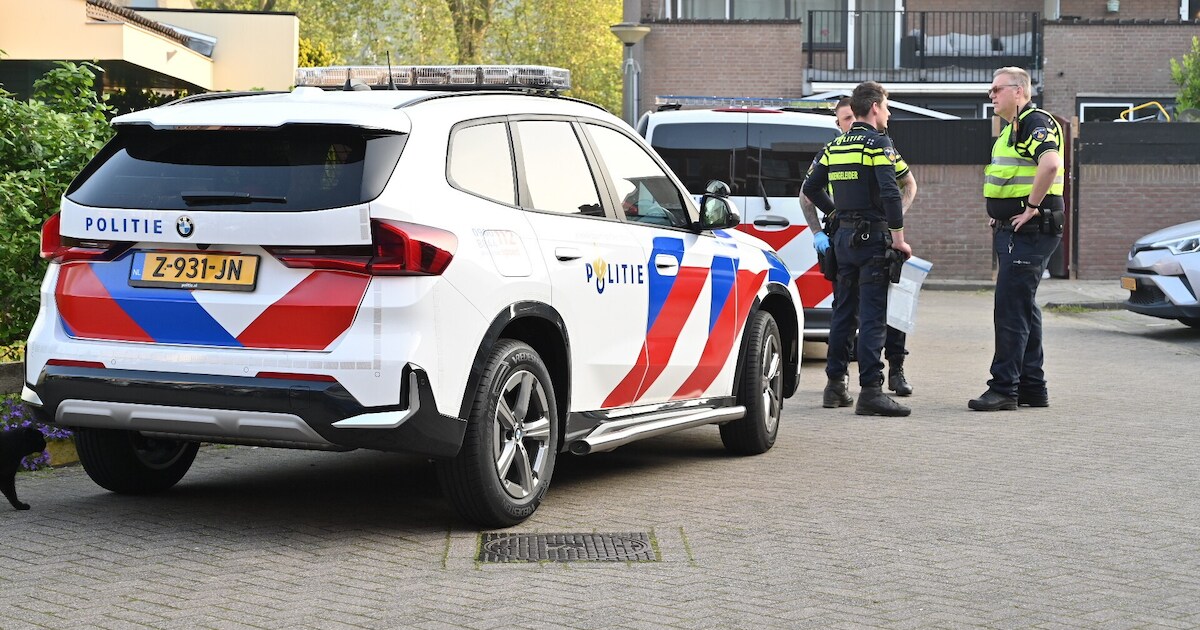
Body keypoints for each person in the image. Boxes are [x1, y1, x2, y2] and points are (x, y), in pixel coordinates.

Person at [802, 81, 913, 417]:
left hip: (842, 242)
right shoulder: (878, 144)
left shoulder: (835, 146)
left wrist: (835, 213)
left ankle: (835, 386)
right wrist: (898, 238)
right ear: (876, 107)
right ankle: (871, 392)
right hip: (872, 242)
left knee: (843, 313)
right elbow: (892, 192)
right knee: (873, 318)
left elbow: (810, 188)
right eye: (888, 107)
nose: (889, 114)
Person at [969, 67, 1065, 411]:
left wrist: (1031, 208)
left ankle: (1004, 389)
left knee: (1010, 310)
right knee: (1024, 307)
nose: (991, 95)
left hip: (1030, 231)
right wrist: (1000, 213)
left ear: (1019, 91)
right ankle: (1032, 388)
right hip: (1015, 231)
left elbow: (1050, 164)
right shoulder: (1012, 130)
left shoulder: (1034, 122)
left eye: (996, 89)